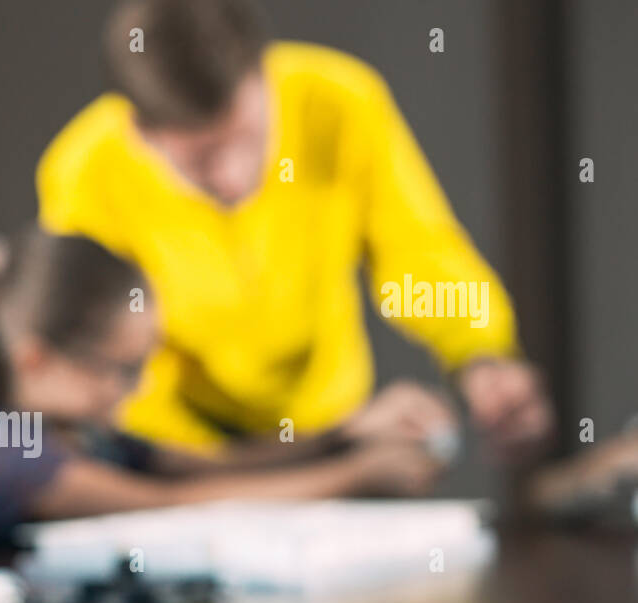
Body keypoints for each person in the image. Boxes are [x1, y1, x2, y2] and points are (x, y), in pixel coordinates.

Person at [36, 0, 552, 463]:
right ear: (139, 132)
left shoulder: (342, 102)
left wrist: (480, 357)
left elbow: (418, 255)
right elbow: (98, 361)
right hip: (182, 463)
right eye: (203, 160)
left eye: (247, 138)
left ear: (264, 71)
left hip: (330, 429)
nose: (237, 178)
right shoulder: (84, 170)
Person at [0, 227, 456, 545]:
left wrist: (347, 435)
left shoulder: (79, 432)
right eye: (119, 370)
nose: (136, 390)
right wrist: (351, 475)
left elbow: (212, 466)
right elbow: (165, 503)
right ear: (37, 360)